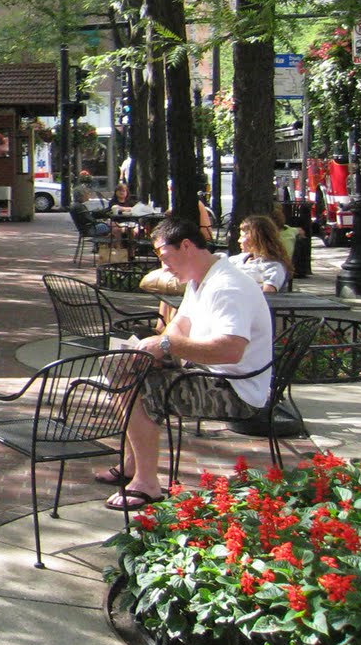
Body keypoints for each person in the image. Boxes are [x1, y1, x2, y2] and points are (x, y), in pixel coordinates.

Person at [101, 215, 273, 512]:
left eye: (165, 257)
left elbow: (231, 351)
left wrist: (167, 346)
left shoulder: (226, 287)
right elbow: (178, 327)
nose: (164, 267)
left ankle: (146, 483)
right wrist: (152, 351)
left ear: (186, 246)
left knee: (139, 388)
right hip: (208, 372)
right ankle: (132, 463)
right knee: (118, 367)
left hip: (235, 390)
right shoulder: (200, 280)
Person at [228, 214, 293, 293]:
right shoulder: (235, 260)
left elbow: (268, 295)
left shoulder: (273, 267)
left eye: (242, 236)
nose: (239, 240)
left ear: (256, 238)